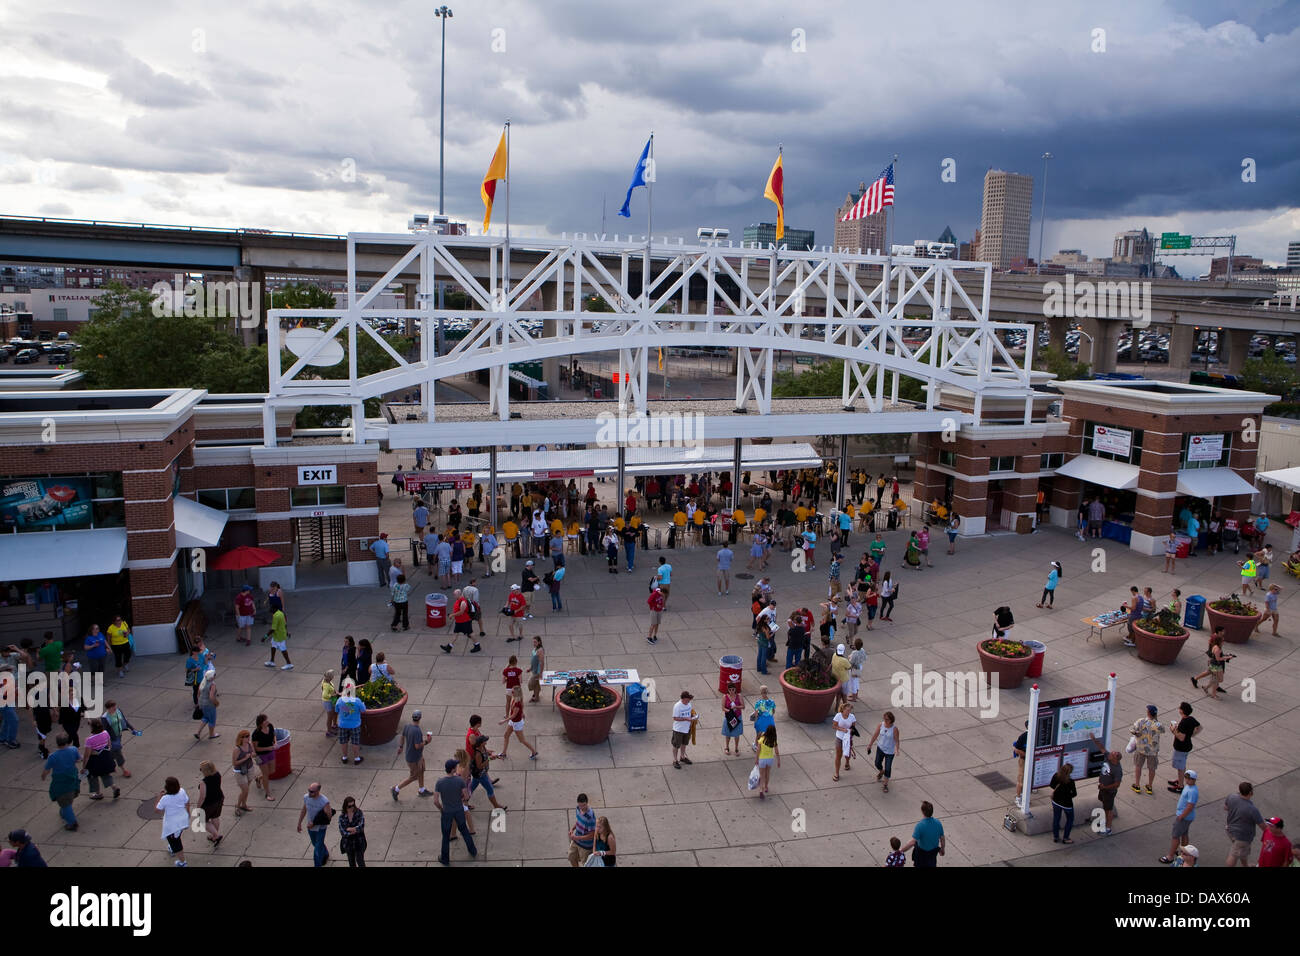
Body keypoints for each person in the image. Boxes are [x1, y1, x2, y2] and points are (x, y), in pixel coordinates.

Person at [435, 758, 477, 865]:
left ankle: (445, 859)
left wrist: (441, 809)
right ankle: (473, 851)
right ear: (453, 769)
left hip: (447, 812)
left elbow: (435, 801)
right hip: (458, 810)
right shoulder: (459, 781)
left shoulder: (439, 782)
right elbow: (466, 796)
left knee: (445, 836)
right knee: (464, 830)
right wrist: (460, 800)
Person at [41, 733, 80, 830]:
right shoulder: (73, 750)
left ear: (57, 743)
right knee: (68, 798)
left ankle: (72, 822)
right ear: (67, 742)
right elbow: (79, 759)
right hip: (72, 778)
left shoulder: (53, 756)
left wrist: (43, 776)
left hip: (60, 783)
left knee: (65, 802)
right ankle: (64, 813)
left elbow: (46, 770)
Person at [1223, 781, 1267, 867]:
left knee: (1241, 850)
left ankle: (1245, 865)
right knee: (1234, 854)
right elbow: (1263, 826)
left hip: (1230, 830)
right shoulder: (1252, 809)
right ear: (1251, 792)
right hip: (1242, 837)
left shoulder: (1231, 797)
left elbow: (1225, 807)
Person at [1159, 769, 1198, 864]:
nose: (1187, 780)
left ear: (1194, 780)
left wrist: (1181, 816)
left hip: (1184, 817)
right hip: (1186, 817)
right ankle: (1184, 853)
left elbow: (1190, 806)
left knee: (1175, 836)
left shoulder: (1192, 791)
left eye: (1189, 779)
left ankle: (1170, 856)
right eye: (1186, 778)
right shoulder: (1189, 787)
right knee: (1184, 834)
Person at [392, 710, 432, 800]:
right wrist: (426, 741)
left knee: (421, 770)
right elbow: (417, 746)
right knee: (414, 776)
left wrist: (401, 747)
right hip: (413, 758)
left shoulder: (407, 726)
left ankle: (422, 790)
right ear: (420, 718)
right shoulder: (417, 731)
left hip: (417, 756)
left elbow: (402, 737)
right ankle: (396, 789)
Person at [1129, 704, 1164, 794]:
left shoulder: (1141, 721)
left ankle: (1137, 785)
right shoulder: (1158, 725)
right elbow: (1162, 730)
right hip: (1153, 751)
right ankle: (1149, 786)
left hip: (1141, 748)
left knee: (1138, 766)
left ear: (1148, 712)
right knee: (1152, 768)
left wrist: (1136, 733)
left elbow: (1133, 730)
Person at [157, 776, 191, 866]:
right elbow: (187, 802)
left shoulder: (165, 798)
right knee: (177, 837)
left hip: (172, 825)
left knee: (176, 843)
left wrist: (159, 797)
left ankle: (182, 862)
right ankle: (172, 848)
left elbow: (157, 810)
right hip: (182, 820)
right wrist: (188, 814)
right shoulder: (182, 791)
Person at [1167, 701, 1200, 793]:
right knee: (1182, 765)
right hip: (1187, 746)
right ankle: (1180, 779)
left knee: (1180, 767)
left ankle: (1180, 786)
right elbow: (1199, 727)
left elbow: (1181, 738)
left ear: (1182, 711)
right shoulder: (1191, 719)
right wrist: (1192, 735)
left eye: (1180, 708)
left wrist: (1173, 730)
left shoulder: (1184, 723)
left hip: (1181, 748)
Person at [297, 781, 333, 867]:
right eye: (309, 790)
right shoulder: (306, 797)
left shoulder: (324, 801)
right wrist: (299, 823)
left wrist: (315, 823)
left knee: (317, 851)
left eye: (312, 791)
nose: (309, 792)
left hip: (320, 829)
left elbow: (329, 817)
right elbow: (304, 810)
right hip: (310, 828)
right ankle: (325, 853)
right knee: (315, 844)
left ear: (318, 791)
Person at [81, 718, 118, 801]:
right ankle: (114, 788)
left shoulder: (89, 740)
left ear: (92, 727)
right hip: (105, 758)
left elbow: (87, 755)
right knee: (105, 774)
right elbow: (109, 746)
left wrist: (84, 767)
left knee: (92, 776)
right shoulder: (105, 733)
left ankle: (97, 793)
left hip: (95, 762)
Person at [499, 685, 539, 759]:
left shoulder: (517, 703)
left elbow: (513, 715)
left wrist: (504, 721)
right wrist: (522, 713)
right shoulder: (515, 699)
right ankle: (504, 753)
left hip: (516, 723)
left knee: (522, 740)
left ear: (516, 693)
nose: (511, 692)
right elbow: (518, 712)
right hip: (513, 722)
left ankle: (534, 751)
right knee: (506, 735)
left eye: (513, 691)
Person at [101, 698, 138, 779]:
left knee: (112, 752)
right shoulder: (105, 718)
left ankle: (109, 763)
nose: (115, 707)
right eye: (112, 706)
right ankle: (123, 769)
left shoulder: (118, 711)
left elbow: (124, 721)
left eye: (115, 705)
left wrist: (132, 729)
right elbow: (104, 731)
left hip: (118, 735)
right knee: (118, 752)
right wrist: (107, 741)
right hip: (111, 738)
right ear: (108, 708)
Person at [901, 801, 945, 867]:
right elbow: (942, 838)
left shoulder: (920, 825)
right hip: (933, 851)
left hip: (922, 853)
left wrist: (901, 850)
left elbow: (912, 842)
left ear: (922, 811)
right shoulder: (938, 823)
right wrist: (942, 848)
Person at [1194, 630, 1234, 700]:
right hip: (1216, 666)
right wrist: (1228, 657)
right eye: (1222, 641)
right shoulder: (1217, 649)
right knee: (1219, 679)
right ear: (1220, 642)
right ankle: (1213, 694)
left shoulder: (1215, 646)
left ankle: (1207, 688)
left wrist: (1226, 655)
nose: (1223, 642)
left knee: (1215, 679)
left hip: (1213, 665)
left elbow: (1216, 656)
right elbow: (1218, 658)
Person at [335, 681, 367, 764]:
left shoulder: (340, 700)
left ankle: (344, 757)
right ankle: (356, 759)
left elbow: (336, 710)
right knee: (355, 742)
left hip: (342, 724)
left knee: (343, 741)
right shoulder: (357, 701)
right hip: (355, 725)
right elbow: (363, 710)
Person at [867, 711, 899, 792]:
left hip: (890, 752)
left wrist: (897, 749)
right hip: (880, 748)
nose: (885, 720)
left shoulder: (894, 729)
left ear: (891, 720)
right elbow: (875, 735)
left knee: (888, 768)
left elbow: (897, 740)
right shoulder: (881, 725)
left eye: (887, 719)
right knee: (877, 763)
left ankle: (885, 785)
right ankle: (881, 771)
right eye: (884, 719)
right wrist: (870, 744)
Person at [197, 759, 224, 848]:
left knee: (202, 821)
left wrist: (198, 807)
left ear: (205, 771)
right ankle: (214, 835)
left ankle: (216, 835)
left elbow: (202, 797)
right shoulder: (218, 774)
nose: (200, 770)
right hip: (219, 799)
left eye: (201, 769)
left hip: (208, 803)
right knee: (215, 817)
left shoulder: (203, 782)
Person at [251, 714, 277, 801]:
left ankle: (258, 778)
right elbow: (256, 748)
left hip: (271, 752)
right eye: (265, 720)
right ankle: (267, 794)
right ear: (261, 723)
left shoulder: (270, 726)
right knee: (266, 775)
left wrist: (275, 742)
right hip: (261, 755)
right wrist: (268, 748)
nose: (267, 721)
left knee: (272, 770)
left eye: (267, 719)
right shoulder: (256, 733)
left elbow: (273, 735)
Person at [1049, 763, 1077, 843]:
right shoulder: (1070, 781)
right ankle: (1066, 838)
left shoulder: (1056, 776)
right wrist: (1068, 795)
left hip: (1056, 801)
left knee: (1056, 819)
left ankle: (1056, 837)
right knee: (1070, 819)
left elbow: (1051, 785)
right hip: (1067, 804)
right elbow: (1074, 794)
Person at [568, 792, 597, 866]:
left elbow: (592, 834)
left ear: (587, 803)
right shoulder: (578, 809)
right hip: (576, 840)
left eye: (584, 805)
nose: (582, 808)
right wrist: (572, 829)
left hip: (585, 846)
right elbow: (579, 821)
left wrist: (577, 837)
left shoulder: (590, 817)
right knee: (571, 857)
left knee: (585, 864)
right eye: (580, 805)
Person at [231, 730, 255, 816]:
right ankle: (237, 806)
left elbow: (254, 753)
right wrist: (245, 758)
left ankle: (244, 804)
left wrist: (253, 754)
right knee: (245, 790)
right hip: (240, 771)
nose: (248, 738)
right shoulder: (237, 749)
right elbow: (234, 763)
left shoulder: (250, 745)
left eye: (249, 736)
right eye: (246, 736)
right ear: (241, 738)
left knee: (246, 789)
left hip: (249, 768)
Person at [338, 796, 367, 867]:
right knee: (351, 862)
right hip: (348, 843)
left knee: (360, 861)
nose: (352, 807)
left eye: (353, 805)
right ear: (345, 806)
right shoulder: (342, 817)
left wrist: (352, 829)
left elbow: (362, 825)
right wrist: (353, 831)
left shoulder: (358, 812)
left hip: (359, 842)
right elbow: (342, 831)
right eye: (349, 806)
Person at [671, 691, 696, 769]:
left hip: (687, 728)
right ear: (684, 698)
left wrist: (693, 715)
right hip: (678, 729)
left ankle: (682, 757)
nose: (689, 701)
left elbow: (690, 712)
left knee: (684, 743)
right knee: (676, 745)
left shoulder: (688, 704)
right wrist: (685, 718)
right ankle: (675, 760)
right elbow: (675, 718)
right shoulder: (677, 706)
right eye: (688, 700)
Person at [194, 667, 220, 741]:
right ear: (212, 677)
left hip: (202, 704)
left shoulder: (203, 682)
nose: (215, 676)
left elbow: (198, 693)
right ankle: (212, 734)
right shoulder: (212, 685)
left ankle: (198, 732)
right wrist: (216, 703)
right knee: (212, 719)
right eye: (214, 675)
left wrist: (199, 703)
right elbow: (211, 697)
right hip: (209, 705)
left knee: (205, 718)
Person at [832, 701, 856, 780]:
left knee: (847, 754)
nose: (848, 712)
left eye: (849, 710)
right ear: (843, 709)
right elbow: (834, 726)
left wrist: (850, 731)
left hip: (848, 738)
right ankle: (836, 773)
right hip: (839, 737)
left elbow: (853, 727)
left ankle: (847, 762)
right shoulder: (838, 715)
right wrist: (842, 729)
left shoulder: (852, 717)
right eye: (847, 710)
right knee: (838, 755)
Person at [264, 605, 292, 670]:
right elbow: (285, 624)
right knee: (273, 646)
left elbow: (273, 629)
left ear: (274, 609)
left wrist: (265, 637)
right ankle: (272, 661)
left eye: (271, 609)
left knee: (283, 649)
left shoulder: (276, 616)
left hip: (279, 636)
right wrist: (287, 632)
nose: (270, 610)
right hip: (277, 635)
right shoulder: (281, 613)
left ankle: (289, 664)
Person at [722, 681, 745, 755]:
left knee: (737, 734)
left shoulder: (739, 696)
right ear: (728, 690)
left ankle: (736, 748)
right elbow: (723, 707)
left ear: (735, 689)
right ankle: (727, 747)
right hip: (729, 717)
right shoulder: (725, 697)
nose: (731, 691)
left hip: (737, 717)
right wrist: (729, 711)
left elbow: (743, 706)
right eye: (730, 690)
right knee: (728, 734)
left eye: (733, 689)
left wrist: (736, 707)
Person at [848, 638, 866, 702]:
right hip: (860, 666)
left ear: (855, 646)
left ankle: (854, 697)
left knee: (853, 682)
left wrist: (849, 657)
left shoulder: (854, 653)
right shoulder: (863, 650)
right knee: (856, 681)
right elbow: (865, 658)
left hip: (855, 668)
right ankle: (856, 695)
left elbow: (851, 661)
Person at [527, 636, 545, 702]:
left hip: (537, 672)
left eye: (535, 642)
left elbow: (542, 662)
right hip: (534, 670)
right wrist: (530, 668)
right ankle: (536, 696)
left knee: (531, 683)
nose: (534, 643)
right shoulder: (535, 648)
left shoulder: (540, 650)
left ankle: (536, 696)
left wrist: (540, 673)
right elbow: (533, 660)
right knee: (536, 684)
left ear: (539, 642)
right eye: (533, 642)